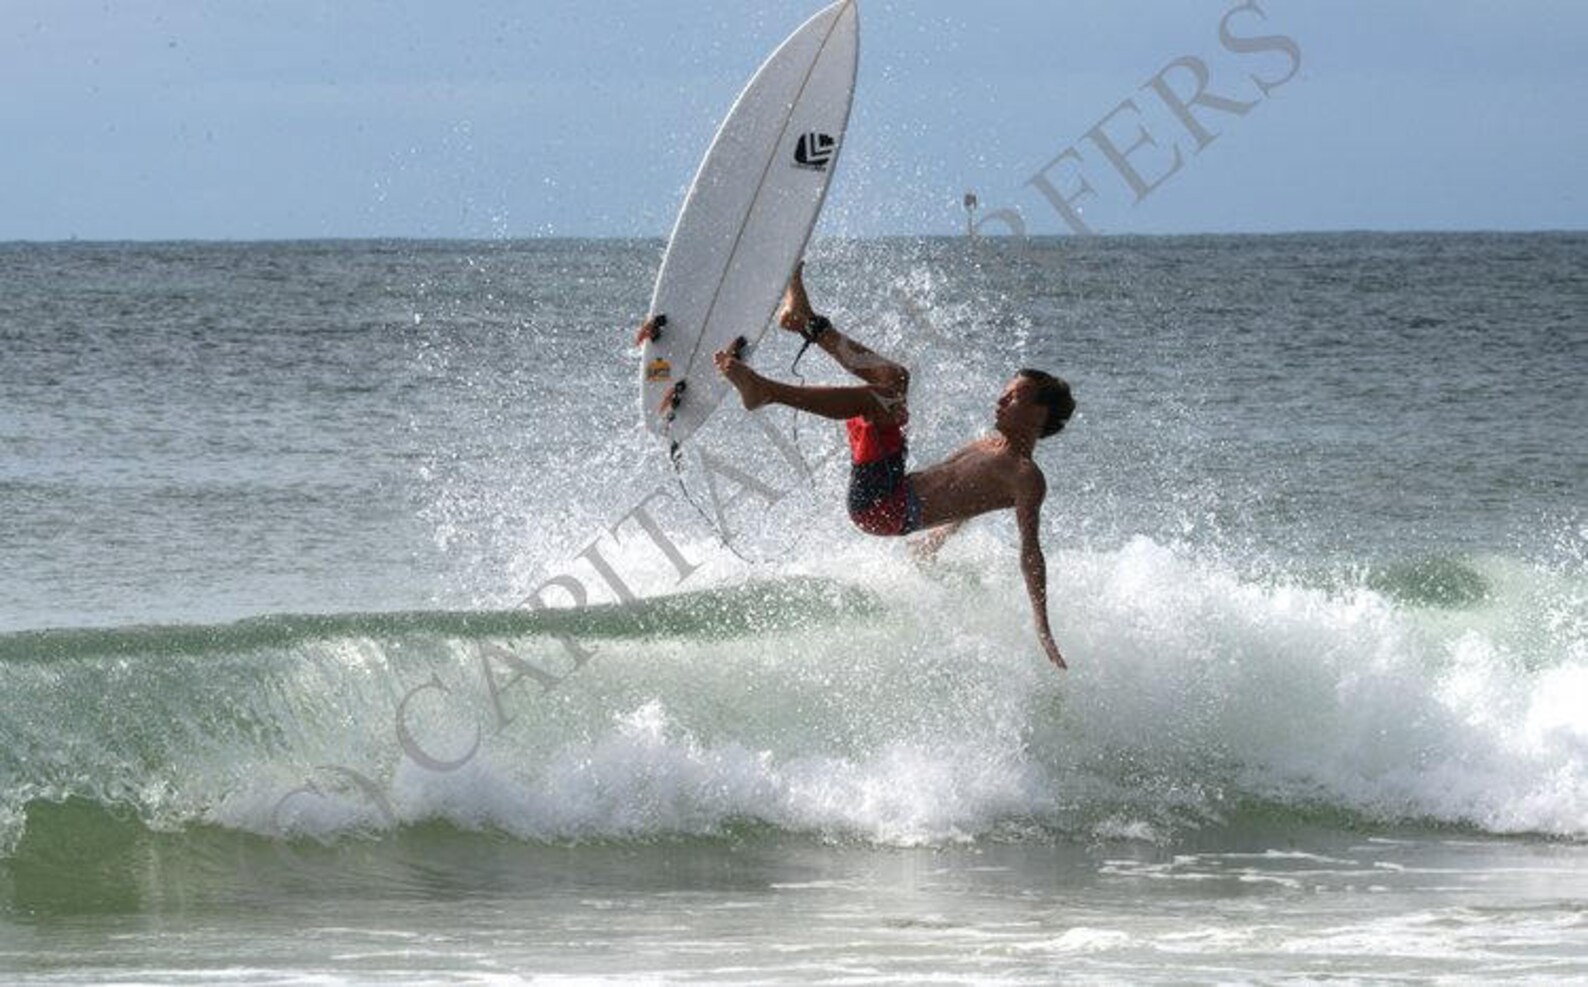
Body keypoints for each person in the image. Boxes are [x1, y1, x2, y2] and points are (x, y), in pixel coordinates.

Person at [711, 263, 1076, 670]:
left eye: (1013, 398)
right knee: (893, 381)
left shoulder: (1027, 477)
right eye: (1004, 393)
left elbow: (1031, 550)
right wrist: (935, 542)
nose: (999, 401)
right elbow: (970, 499)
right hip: (890, 490)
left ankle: (766, 390)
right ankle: (804, 322)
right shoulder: (990, 445)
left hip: (885, 509)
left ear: (1039, 413)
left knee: (882, 397)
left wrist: (1042, 624)